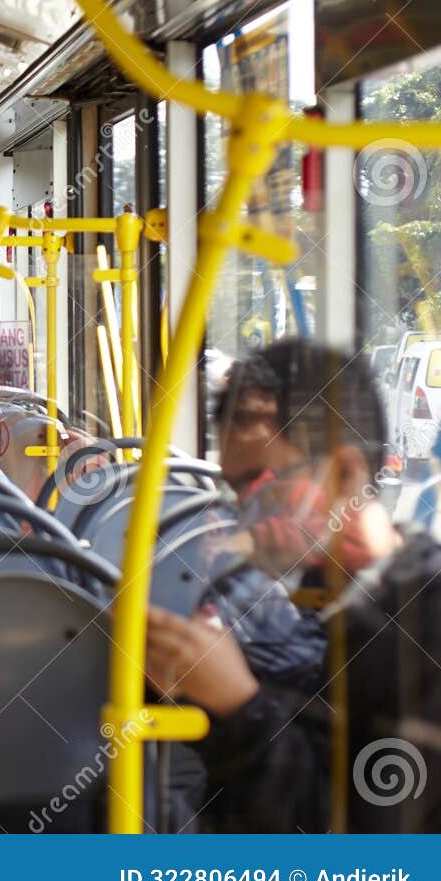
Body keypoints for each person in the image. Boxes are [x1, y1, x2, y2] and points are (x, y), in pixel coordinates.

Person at [144, 339, 425, 832]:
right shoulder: (307, 605)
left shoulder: (419, 629)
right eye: (234, 490)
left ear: (343, 473)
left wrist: (241, 710)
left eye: (258, 486)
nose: (244, 514)